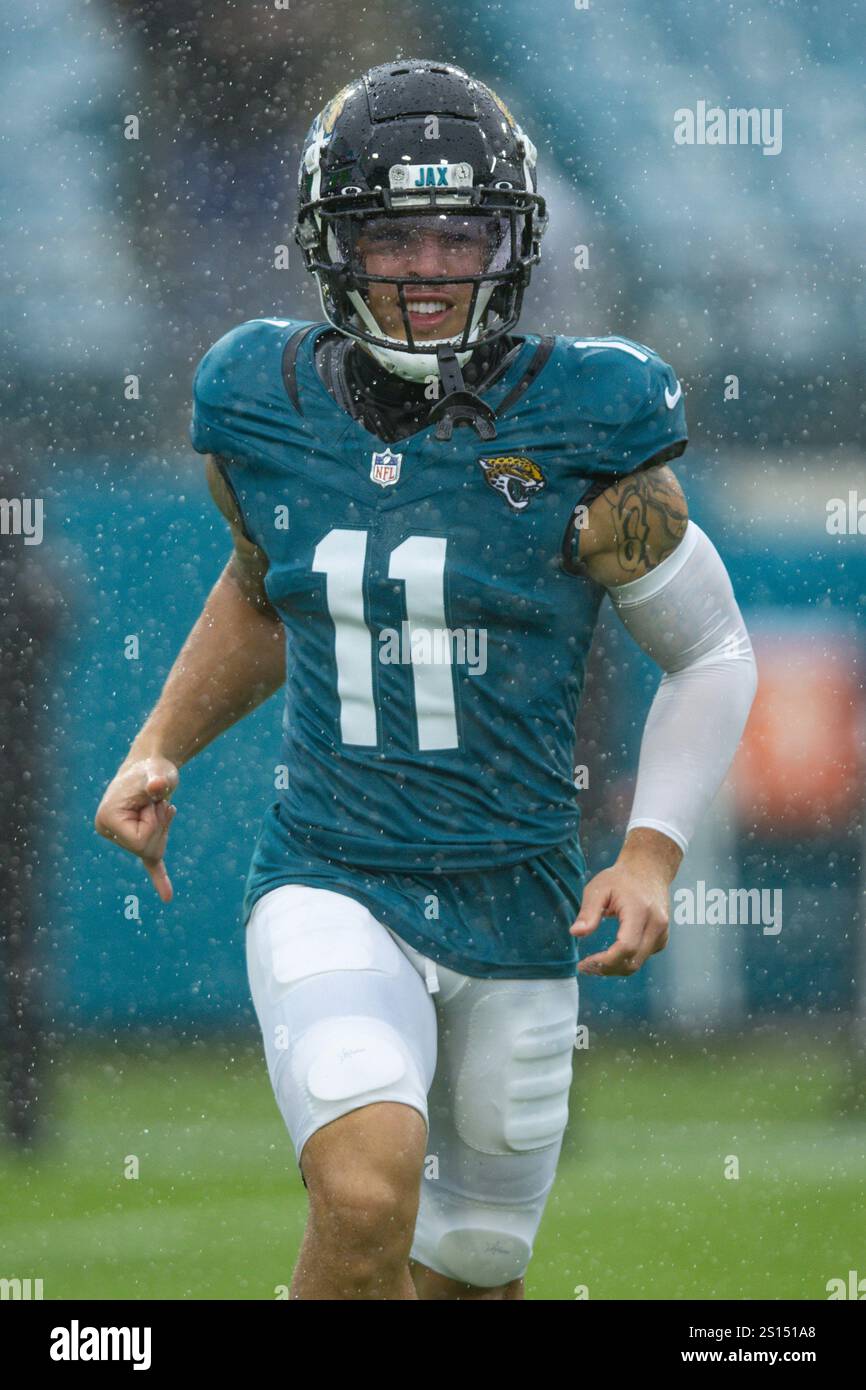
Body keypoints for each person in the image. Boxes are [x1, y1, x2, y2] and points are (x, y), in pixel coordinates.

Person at [95, 59, 758, 1300]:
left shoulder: (585, 422)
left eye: (460, 235)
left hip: (519, 904)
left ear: (511, 244)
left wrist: (652, 849)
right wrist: (159, 743)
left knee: (473, 1273)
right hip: (334, 871)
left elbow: (710, 648)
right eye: (392, 235)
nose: (428, 268)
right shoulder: (262, 397)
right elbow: (260, 587)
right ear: (329, 243)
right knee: (362, 1193)